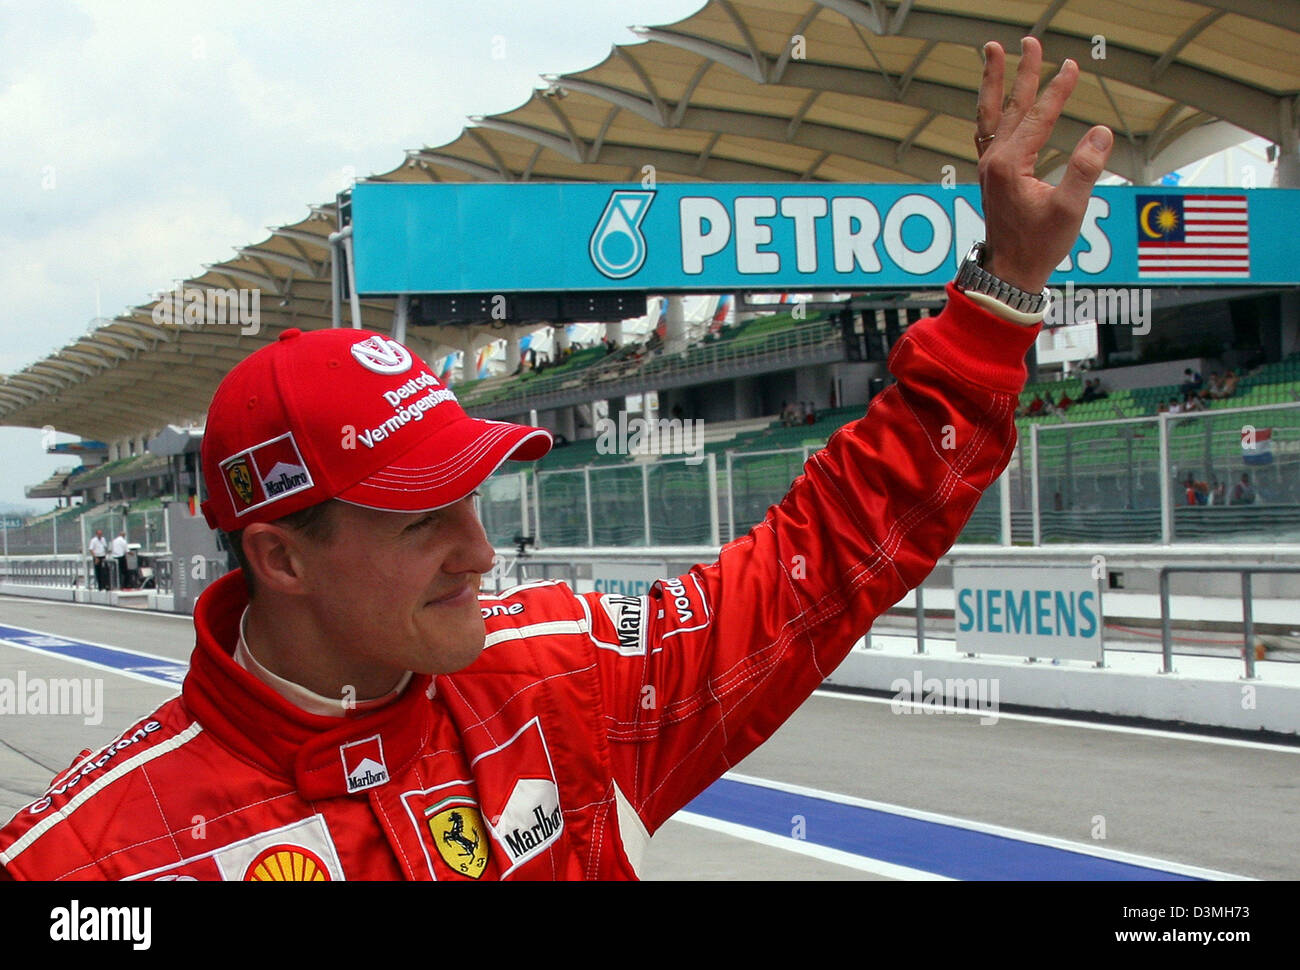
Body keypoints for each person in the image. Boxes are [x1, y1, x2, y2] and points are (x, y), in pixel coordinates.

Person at [0, 36, 1114, 881]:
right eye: (418, 516)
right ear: (280, 556)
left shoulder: (560, 681)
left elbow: (815, 563)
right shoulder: (90, 859)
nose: (480, 549)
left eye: (472, 497)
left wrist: (1001, 292)